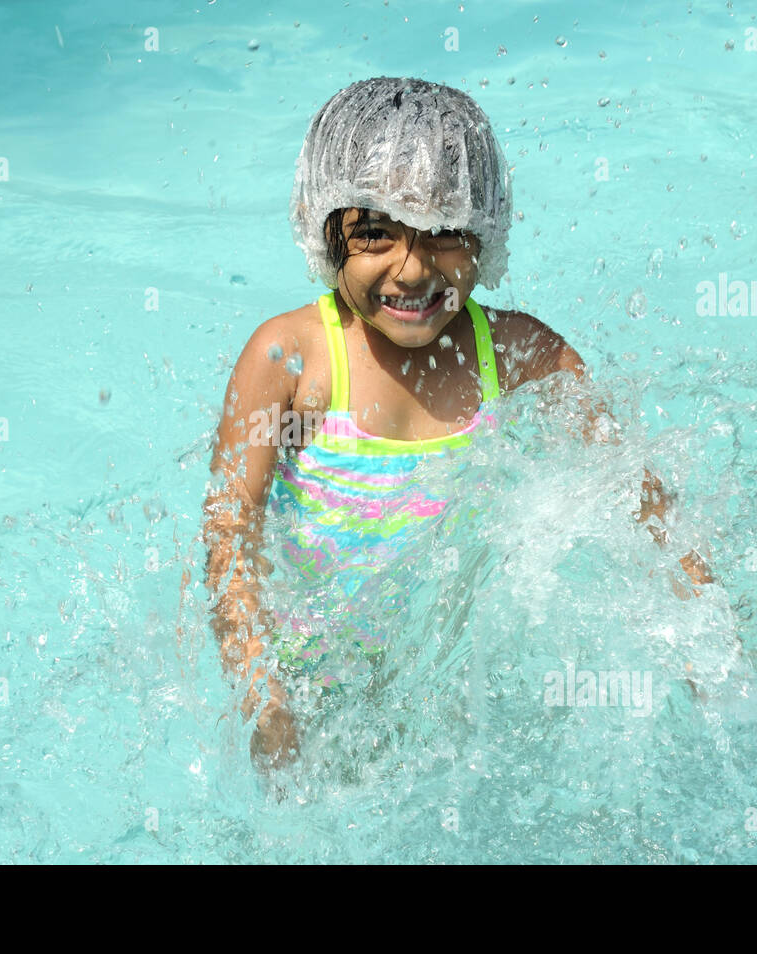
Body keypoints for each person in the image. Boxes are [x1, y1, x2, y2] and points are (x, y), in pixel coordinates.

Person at [202, 77, 712, 770]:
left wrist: (707, 634)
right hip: (307, 686)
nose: (412, 270)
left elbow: (639, 496)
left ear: (485, 229)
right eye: (376, 232)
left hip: (452, 694)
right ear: (326, 230)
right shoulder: (292, 361)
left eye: (444, 232)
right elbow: (231, 534)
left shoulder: (522, 355)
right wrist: (263, 695)